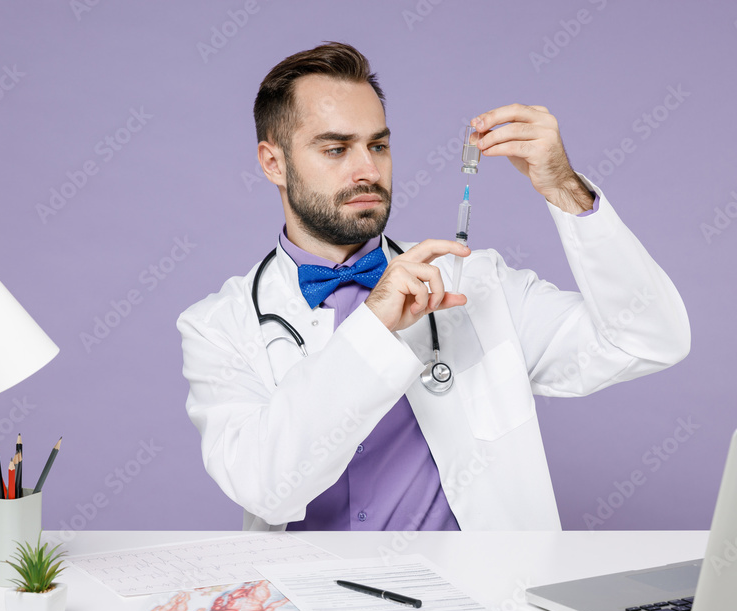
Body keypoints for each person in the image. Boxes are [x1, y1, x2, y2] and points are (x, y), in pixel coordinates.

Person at [177, 42, 690, 531]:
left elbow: (647, 338)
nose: (367, 170)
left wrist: (565, 187)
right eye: (335, 149)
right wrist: (373, 324)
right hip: (317, 608)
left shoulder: (478, 286)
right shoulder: (220, 326)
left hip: (478, 602)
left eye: (378, 145)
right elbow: (267, 488)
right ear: (274, 163)